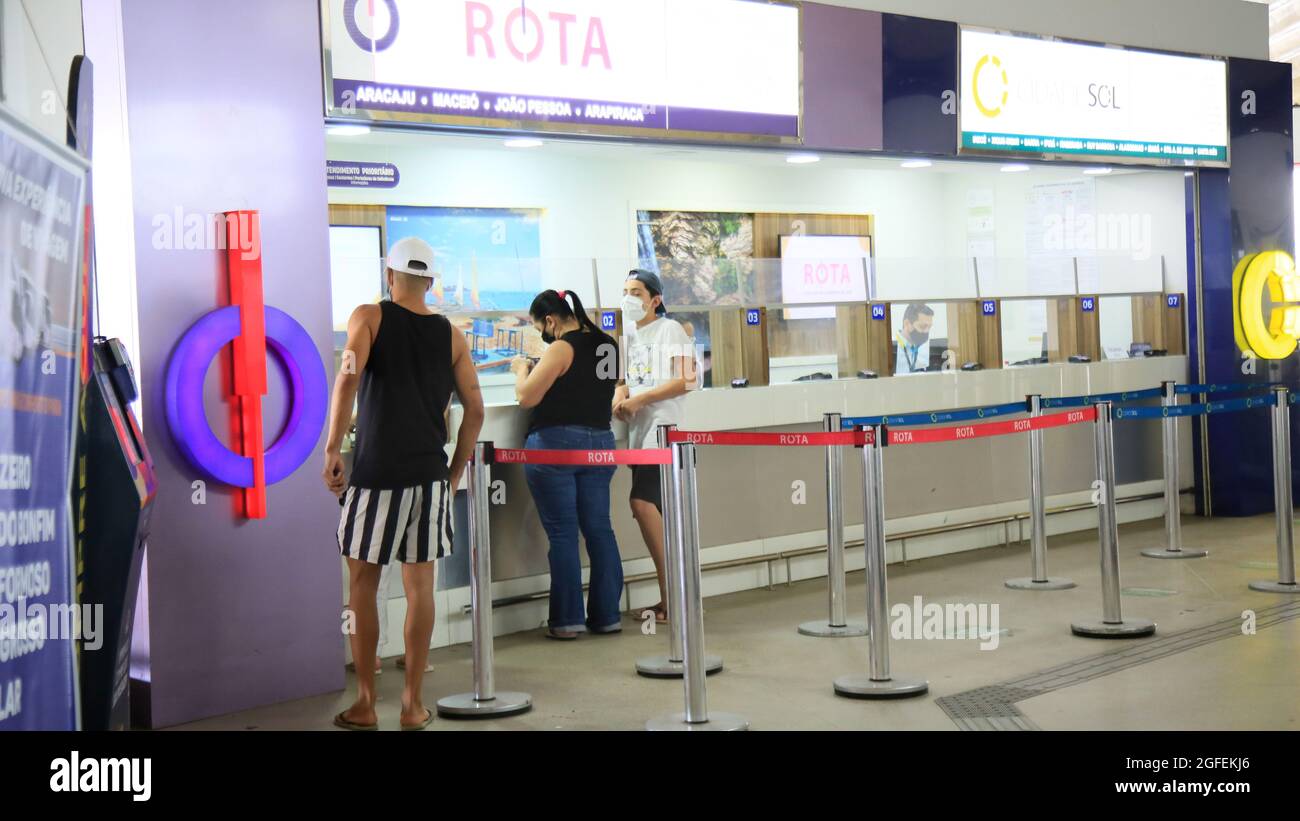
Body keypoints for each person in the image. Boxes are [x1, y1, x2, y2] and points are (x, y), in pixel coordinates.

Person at [323, 236, 484, 731]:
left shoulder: (369, 316)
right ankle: (413, 706)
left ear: (389, 275)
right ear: (430, 281)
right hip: (429, 479)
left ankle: (366, 702)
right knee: (421, 589)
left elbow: (348, 377)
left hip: (377, 476)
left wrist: (332, 448)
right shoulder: (452, 335)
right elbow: (475, 411)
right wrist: (452, 474)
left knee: (363, 585)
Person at [511, 289, 622, 639]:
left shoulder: (561, 347)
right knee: (600, 529)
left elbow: (526, 397)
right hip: (601, 443)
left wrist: (521, 371)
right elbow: (604, 388)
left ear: (550, 321)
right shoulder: (609, 344)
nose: (542, 336)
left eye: (539, 328)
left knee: (563, 534)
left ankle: (567, 622)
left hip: (556, 445)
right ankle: (607, 616)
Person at [613, 270, 696, 624]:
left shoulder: (670, 329)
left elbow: (686, 380)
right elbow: (625, 380)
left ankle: (674, 599)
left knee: (642, 504)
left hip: (663, 432)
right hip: (639, 433)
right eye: (625, 290)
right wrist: (621, 393)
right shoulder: (629, 336)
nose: (629, 297)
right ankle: (672, 598)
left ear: (655, 299)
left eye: (636, 292)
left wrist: (641, 398)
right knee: (655, 512)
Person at [895, 302, 935, 374]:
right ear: (907, 323)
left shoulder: (927, 348)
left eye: (929, 327)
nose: (927, 331)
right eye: (922, 326)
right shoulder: (890, 349)